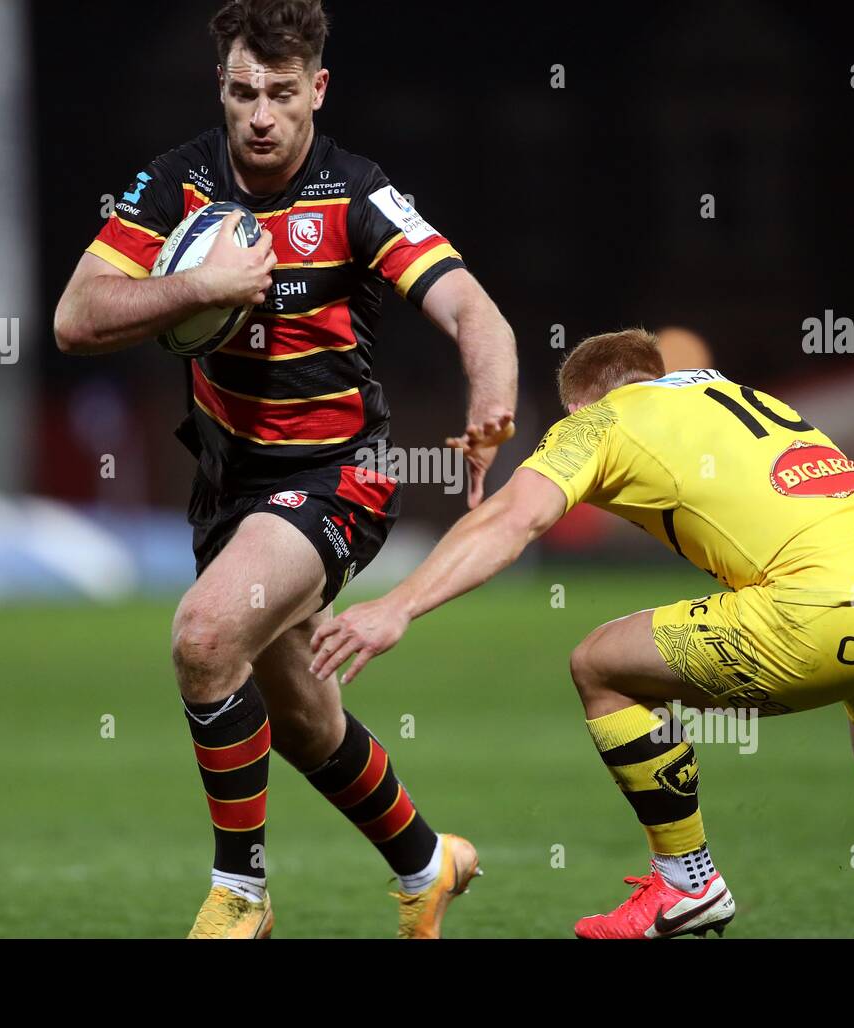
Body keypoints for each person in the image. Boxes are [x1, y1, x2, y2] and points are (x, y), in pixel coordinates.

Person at [310, 328, 854, 940]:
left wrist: (398, 604)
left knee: (599, 663)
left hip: (820, 614)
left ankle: (687, 886)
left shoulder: (602, 422)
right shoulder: (738, 395)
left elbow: (512, 520)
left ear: (587, 401)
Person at [53, 0, 517, 938]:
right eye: (241, 92)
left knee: (202, 637)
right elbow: (76, 317)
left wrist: (491, 402)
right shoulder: (175, 183)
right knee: (304, 719)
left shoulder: (357, 193)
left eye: (280, 93)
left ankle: (243, 896)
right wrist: (206, 286)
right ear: (220, 89)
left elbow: (478, 314)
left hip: (335, 477)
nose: (259, 115)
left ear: (317, 89)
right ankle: (429, 864)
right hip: (228, 487)